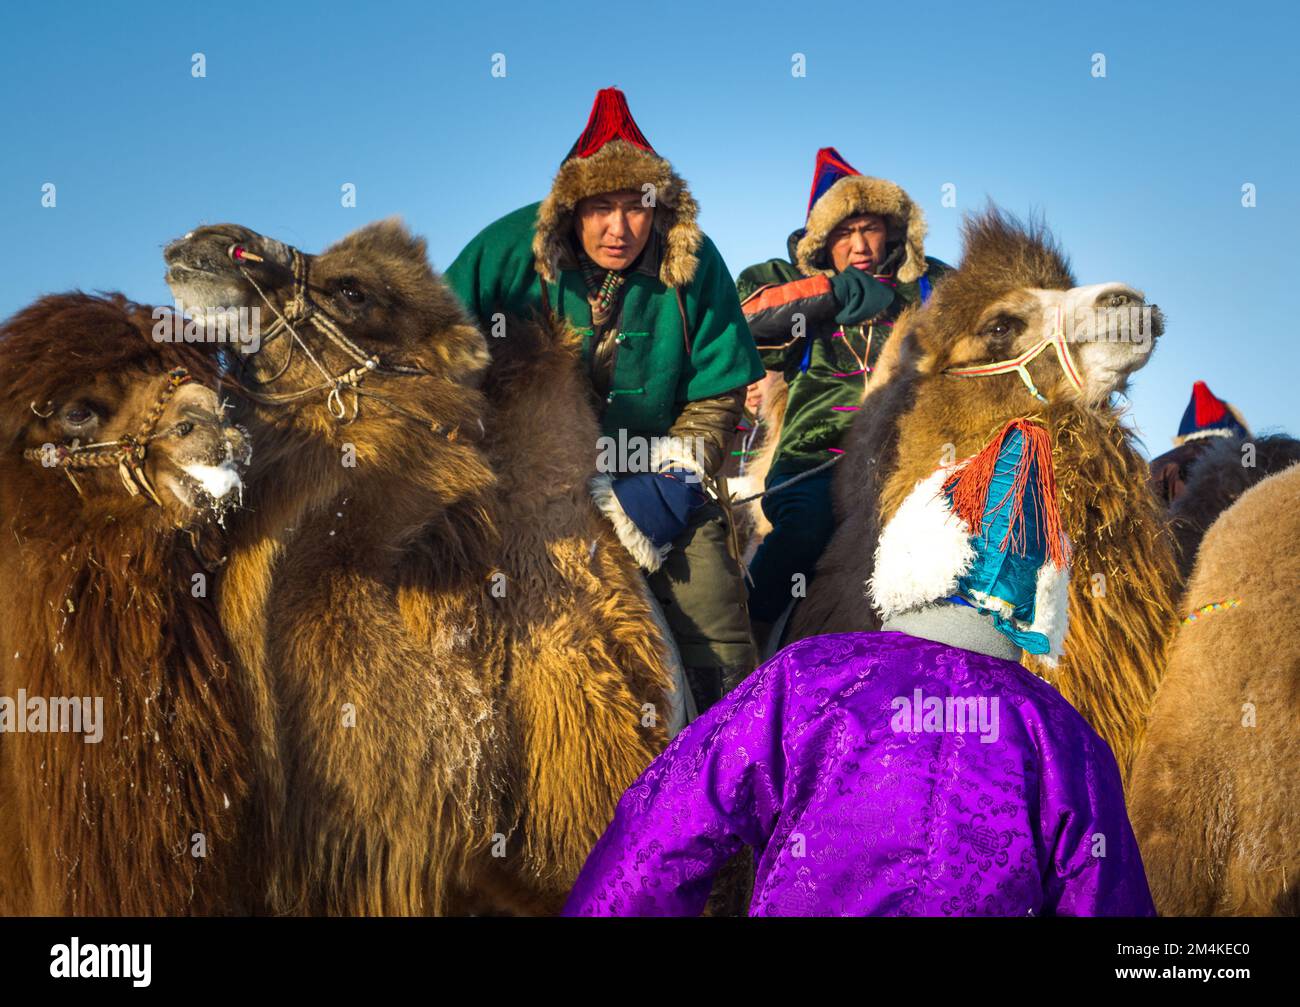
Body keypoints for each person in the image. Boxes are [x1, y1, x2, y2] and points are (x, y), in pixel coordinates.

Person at [562, 419, 1155, 916]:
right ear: (1040, 595)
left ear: (913, 552)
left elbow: (662, 832)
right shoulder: (1066, 739)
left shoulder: (806, 676)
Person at [445, 87, 765, 715]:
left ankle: (727, 756)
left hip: (658, 467)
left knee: (714, 615)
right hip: (520, 471)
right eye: (599, 208)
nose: (618, 229)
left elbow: (719, 388)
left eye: (636, 208)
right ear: (571, 209)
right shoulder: (505, 251)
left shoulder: (696, 265)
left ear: (660, 209)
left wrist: (674, 478)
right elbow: (439, 348)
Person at [735, 148, 949, 645]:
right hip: (816, 457)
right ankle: (749, 642)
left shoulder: (929, 287)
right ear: (822, 240)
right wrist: (834, 294)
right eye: (843, 232)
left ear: (893, 232)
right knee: (805, 529)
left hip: (910, 458)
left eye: (869, 228)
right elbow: (744, 323)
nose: (858, 244)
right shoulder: (790, 283)